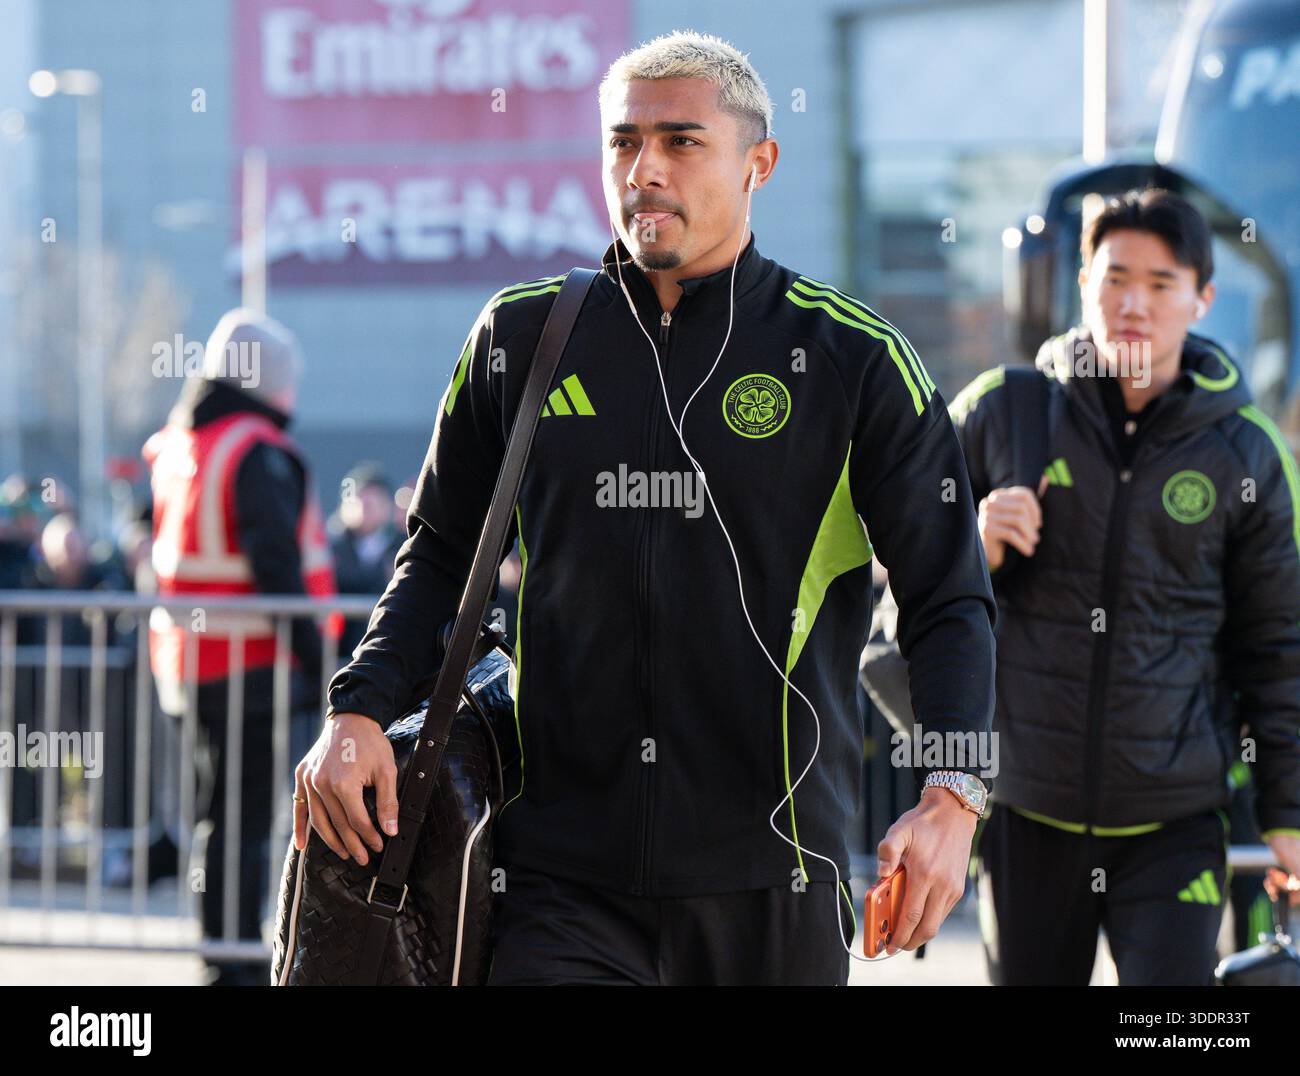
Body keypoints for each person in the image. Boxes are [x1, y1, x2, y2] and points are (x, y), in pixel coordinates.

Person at [297, 30, 997, 986]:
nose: (645, 170)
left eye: (681, 141)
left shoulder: (851, 358)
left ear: (760, 163)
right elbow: (441, 550)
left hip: (778, 884)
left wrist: (954, 792)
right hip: (557, 887)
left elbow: (949, 596)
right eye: (623, 143)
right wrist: (360, 709)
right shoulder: (522, 336)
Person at [949, 188, 1300, 985]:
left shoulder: (1246, 453)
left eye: (1161, 282)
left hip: (1176, 820)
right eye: (1113, 278)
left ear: (1202, 298)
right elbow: (904, 598)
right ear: (1082, 284)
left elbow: (1276, 645)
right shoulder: (1003, 412)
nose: (1133, 303)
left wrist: (1288, 813)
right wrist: (972, 550)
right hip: (1025, 808)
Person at [143, 308, 337, 985]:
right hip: (250, 665)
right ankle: (235, 960)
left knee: (214, 816)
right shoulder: (253, 448)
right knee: (245, 821)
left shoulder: (181, 442)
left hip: (188, 663)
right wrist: (322, 662)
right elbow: (276, 565)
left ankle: (219, 949)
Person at [327, 462, 403, 661]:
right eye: (359, 496)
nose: (365, 504)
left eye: (375, 497)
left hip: (388, 650)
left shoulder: (404, 547)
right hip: (339, 652)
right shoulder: (331, 549)